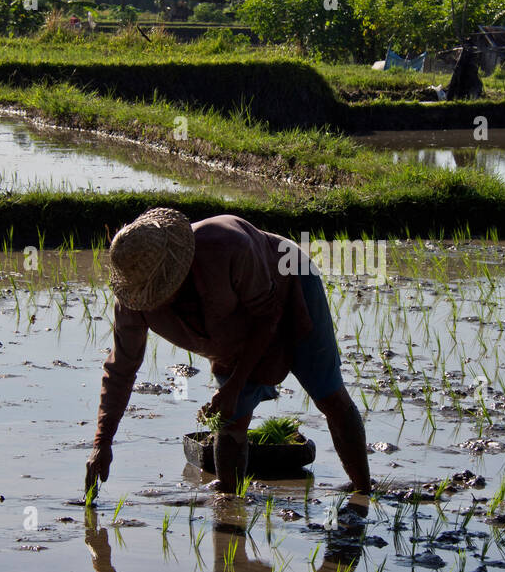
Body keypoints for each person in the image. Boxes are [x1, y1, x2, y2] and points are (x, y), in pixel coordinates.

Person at [84, 208, 371, 496]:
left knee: (329, 394)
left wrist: (235, 385)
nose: (160, 297)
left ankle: (363, 491)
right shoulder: (135, 303)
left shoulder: (227, 245)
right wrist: (102, 443)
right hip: (232, 330)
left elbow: (268, 316)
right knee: (231, 421)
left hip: (288, 276)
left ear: (178, 263)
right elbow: (120, 369)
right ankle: (229, 503)